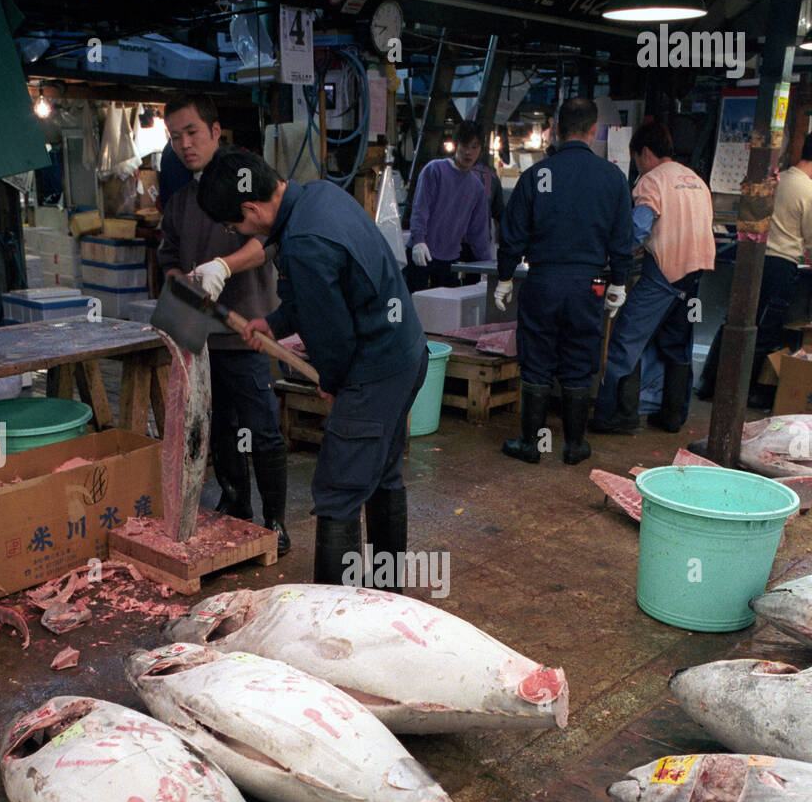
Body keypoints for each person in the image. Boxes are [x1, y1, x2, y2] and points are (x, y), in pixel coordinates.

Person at [197, 149, 429, 588]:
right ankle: (388, 595)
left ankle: (330, 617)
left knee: (338, 492)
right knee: (381, 476)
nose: (237, 233)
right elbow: (322, 295)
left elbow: (333, 335)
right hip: (405, 353)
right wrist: (275, 322)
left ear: (250, 208)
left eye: (235, 226)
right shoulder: (319, 196)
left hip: (376, 366)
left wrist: (332, 379)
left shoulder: (304, 243)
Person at [159, 95, 290, 553]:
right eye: (175, 136)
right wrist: (185, 283)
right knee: (218, 431)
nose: (184, 143)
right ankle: (238, 511)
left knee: (263, 428)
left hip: (248, 331)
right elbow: (169, 259)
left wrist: (223, 266)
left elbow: (271, 241)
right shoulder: (178, 201)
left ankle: (275, 523)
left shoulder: (248, 179)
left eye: (192, 131)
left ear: (216, 131)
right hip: (201, 338)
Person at [496, 97, 633, 465]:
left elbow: (512, 234)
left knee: (537, 357)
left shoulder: (537, 175)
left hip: (542, 280)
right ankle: (574, 446)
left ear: (555, 128)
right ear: (593, 131)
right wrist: (618, 281)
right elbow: (623, 238)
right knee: (579, 358)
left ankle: (531, 444)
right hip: (589, 284)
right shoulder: (612, 177)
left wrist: (505, 276)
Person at [591, 122, 715, 435]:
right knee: (676, 345)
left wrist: (616, 252)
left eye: (636, 159)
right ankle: (673, 416)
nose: (637, 166)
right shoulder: (696, 181)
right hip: (694, 276)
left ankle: (619, 416)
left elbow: (639, 229)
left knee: (625, 341)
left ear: (645, 153)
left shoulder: (651, 181)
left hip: (663, 273)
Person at [698, 133, 812, 409]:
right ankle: (747, 393)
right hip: (780, 265)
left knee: (737, 321)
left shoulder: (778, 179)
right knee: (767, 329)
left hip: (752, 259)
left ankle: (712, 384)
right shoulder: (807, 191)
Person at [406, 120, 492, 291]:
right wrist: (418, 240)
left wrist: (487, 266)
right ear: (456, 145)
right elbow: (420, 209)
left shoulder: (477, 188)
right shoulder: (435, 170)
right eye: (465, 145)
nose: (468, 152)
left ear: (480, 150)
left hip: (449, 260)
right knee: (417, 306)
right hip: (422, 254)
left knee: (445, 311)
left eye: (474, 147)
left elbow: (478, 232)